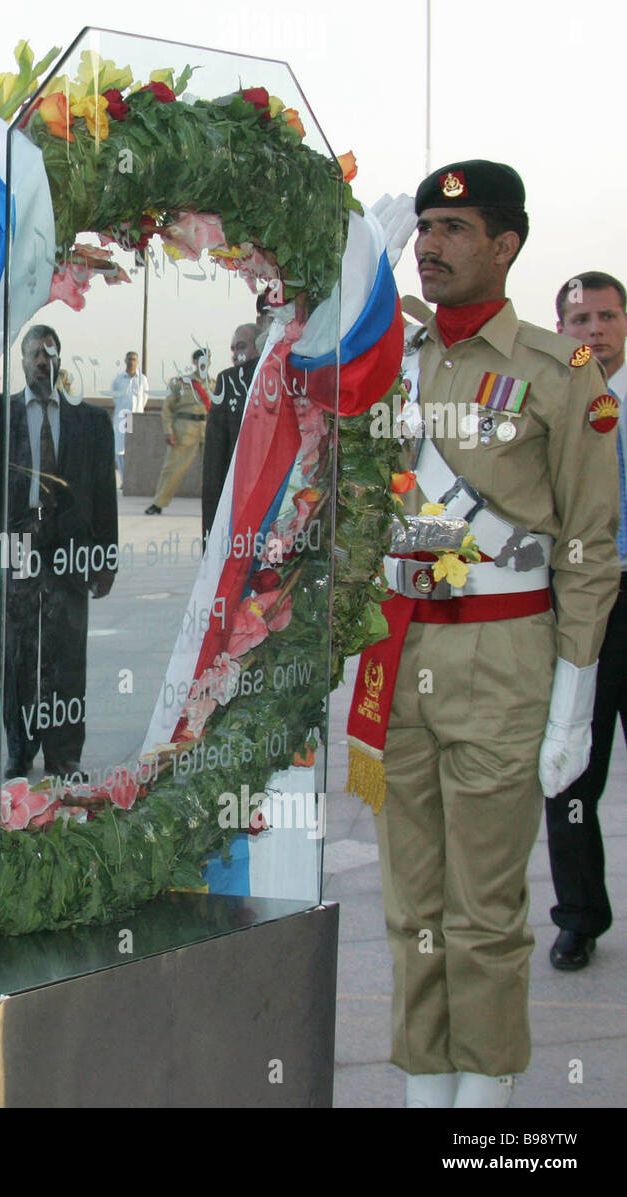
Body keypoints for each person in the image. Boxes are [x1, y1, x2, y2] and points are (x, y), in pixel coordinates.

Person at [370, 162, 618, 1108]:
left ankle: (485, 1116)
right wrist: (360, 274)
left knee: (485, 912)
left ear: (506, 244)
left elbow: (590, 550)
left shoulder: (562, 372)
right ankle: (426, 1097)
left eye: (455, 228)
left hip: (507, 653)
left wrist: (575, 700)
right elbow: (303, 381)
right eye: (423, 227)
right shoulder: (391, 355)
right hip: (406, 649)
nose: (431, 244)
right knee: (412, 908)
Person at [0, 324, 117, 778]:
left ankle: (65, 754)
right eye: (35, 356)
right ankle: (19, 751)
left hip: (68, 549)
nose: (44, 362)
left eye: (51, 354)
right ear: (22, 362)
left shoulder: (90, 423)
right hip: (11, 544)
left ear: (60, 359)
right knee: (15, 653)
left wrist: (105, 557)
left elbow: (104, 493)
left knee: (67, 652)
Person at [544, 271, 627, 971]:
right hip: (579, 605)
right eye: (579, 319)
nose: (594, 329)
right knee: (571, 769)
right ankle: (578, 915)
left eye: (605, 316)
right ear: (562, 330)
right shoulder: (546, 403)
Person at [198, 324, 259, 540]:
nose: (235, 355)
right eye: (232, 349)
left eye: (241, 347)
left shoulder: (230, 380)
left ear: (259, 346)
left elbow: (216, 456)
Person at [145, 348, 211, 515]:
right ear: (195, 362)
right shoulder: (181, 383)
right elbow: (167, 408)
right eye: (200, 360)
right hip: (185, 429)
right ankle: (158, 503)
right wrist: (168, 431)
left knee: (214, 471)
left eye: (206, 360)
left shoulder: (215, 384)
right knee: (172, 468)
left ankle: (215, 506)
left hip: (208, 428)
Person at [109, 350, 148, 482]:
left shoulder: (142, 380)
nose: (131, 362)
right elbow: (114, 396)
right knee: (120, 449)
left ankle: (134, 479)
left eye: (134, 359)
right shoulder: (118, 380)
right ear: (125, 361)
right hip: (122, 416)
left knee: (135, 448)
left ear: (137, 362)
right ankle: (125, 478)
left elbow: (145, 397)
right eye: (129, 359)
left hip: (136, 418)